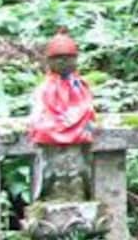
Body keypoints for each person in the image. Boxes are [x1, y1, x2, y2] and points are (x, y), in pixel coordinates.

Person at [28, 27, 95, 200]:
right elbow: (39, 112)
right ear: (49, 61)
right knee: (53, 176)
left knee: (78, 177)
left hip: (78, 137)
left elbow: (86, 107)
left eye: (69, 58)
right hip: (52, 138)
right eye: (58, 58)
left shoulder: (79, 85)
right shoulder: (46, 87)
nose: (64, 62)